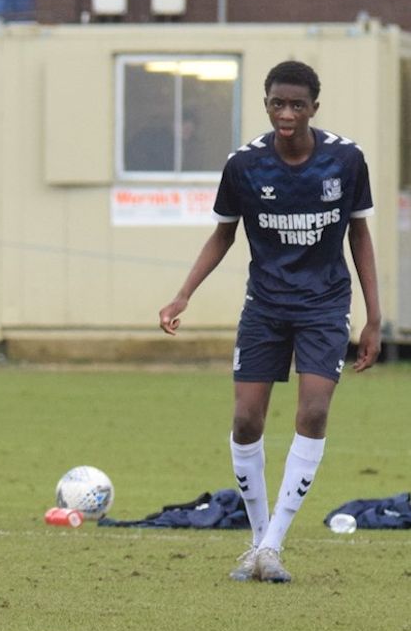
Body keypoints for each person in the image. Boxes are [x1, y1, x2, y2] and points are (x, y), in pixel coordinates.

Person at [159, 61, 381, 583]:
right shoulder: (244, 166)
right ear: (265, 105)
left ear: (313, 109)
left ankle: (273, 545)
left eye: (297, 105)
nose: (287, 114)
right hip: (265, 307)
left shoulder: (346, 161)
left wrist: (374, 317)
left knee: (315, 411)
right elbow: (223, 235)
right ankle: (257, 544)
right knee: (246, 421)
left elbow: (360, 235)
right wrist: (183, 294)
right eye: (277, 103)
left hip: (325, 306)